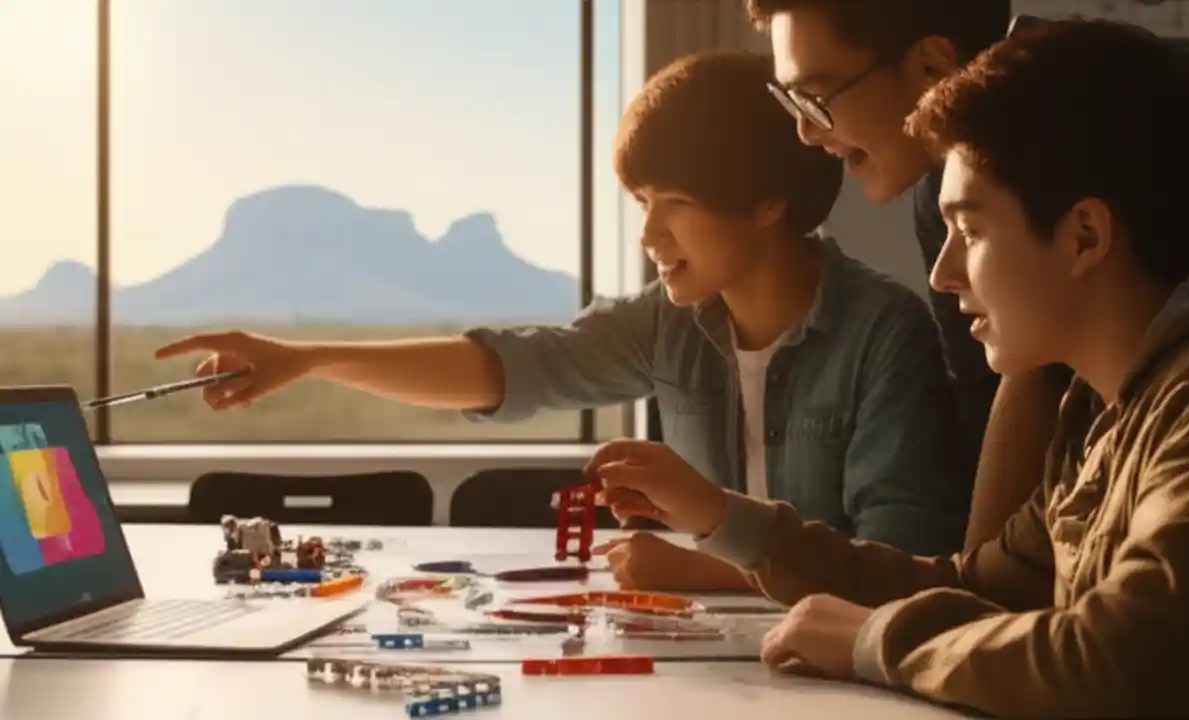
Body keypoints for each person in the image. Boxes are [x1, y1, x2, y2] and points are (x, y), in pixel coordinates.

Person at [586, 21, 1189, 717]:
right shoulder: (1107, 413)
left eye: (970, 231)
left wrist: (874, 640)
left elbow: (1130, 660)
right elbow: (978, 586)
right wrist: (726, 519)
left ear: (1085, 236)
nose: (944, 275)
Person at [154, 51, 972, 589]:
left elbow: (905, 568)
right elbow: (509, 368)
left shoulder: (886, 335)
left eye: (673, 207)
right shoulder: (670, 323)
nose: (649, 236)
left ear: (767, 203)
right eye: (643, 206)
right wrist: (304, 359)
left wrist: (702, 564)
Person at [746, 0, 1189, 549]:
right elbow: (1006, 406)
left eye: (815, 97)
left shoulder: (1171, 111)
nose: (806, 133)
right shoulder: (943, 192)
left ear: (931, 67)